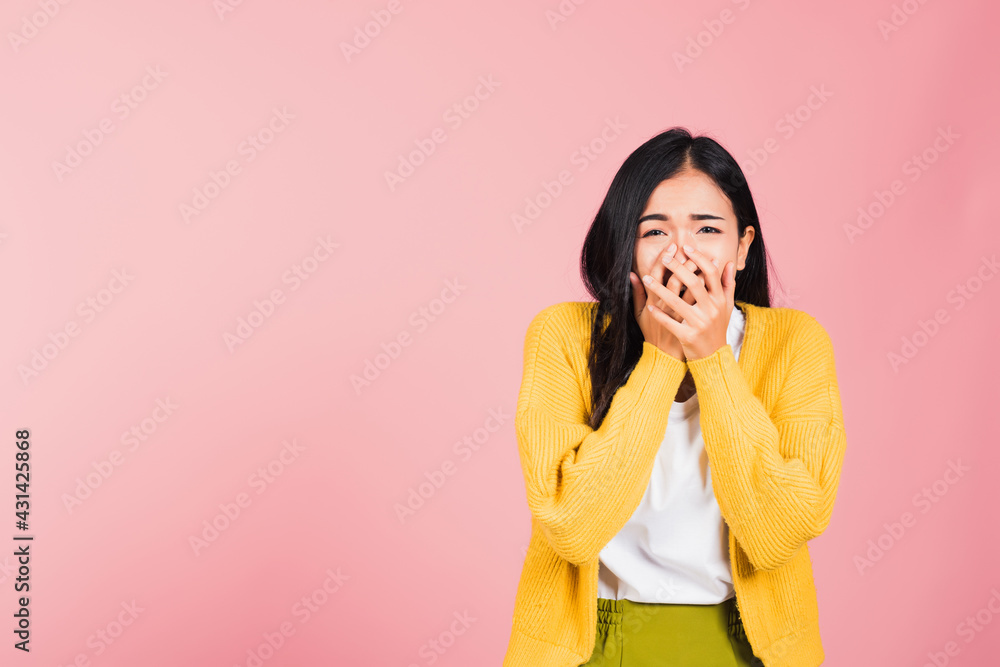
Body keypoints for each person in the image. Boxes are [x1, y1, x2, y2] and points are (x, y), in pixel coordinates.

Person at [502, 127, 846, 667]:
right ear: (626, 244)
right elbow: (572, 527)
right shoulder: (562, 336)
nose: (682, 252)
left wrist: (712, 359)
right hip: (589, 645)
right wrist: (660, 358)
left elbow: (779, 533)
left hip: (744, 645)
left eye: (707, 228)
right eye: (655, 230)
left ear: (742, 247)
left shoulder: (796, 343)